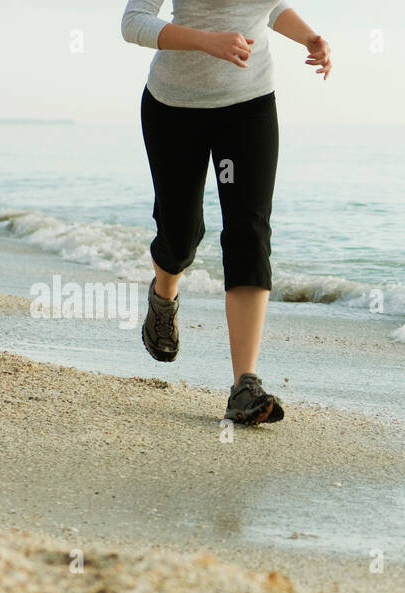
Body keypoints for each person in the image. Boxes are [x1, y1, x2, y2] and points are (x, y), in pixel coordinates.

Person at [120, 1, 331, 425]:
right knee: (180, 235)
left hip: (248, 104)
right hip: (174, 107)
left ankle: (244, 385)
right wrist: (207, 42)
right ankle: (164, 295)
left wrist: (309, 37)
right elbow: (132, 22)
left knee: (248, 232)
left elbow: (268, 8)